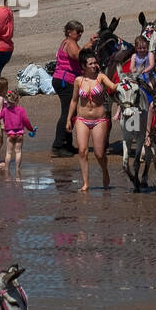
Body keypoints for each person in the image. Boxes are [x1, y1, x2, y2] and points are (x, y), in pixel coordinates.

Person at [66, 50, 116, 192]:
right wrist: (69, 119)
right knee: (82, 151)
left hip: (99, 119)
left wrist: (122, 83)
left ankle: (105, 171)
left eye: (95, 62)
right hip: (81, 119)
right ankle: (86, 183)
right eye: (91, 63)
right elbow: (74, 100)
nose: (94, 65)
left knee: (99, 154)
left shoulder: (101, 78)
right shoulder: (78, 81)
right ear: (83, 66)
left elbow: (112, 86)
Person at [50, 20, 84, 157]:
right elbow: (79, 56)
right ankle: (58, 146)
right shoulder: (70, 43)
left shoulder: (68, 42)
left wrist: (89, 44)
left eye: (82, 32)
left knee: (72, 113)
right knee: (67, 114)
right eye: (78, 32)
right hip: (65, 81)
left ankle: (67, 145)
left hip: (62, 80)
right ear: (70, 32)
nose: (80, 34)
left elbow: (79, 53)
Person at [0, 87, 35, 175]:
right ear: (17, 100)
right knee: (18, 152)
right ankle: (17, 169)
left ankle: (7, 169)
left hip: (10, 135)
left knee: (9, 152)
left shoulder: (5, 110)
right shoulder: (21, 110)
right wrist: (31, 129)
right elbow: (26, 121)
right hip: (20, 134)